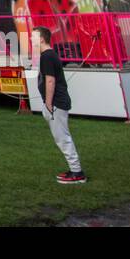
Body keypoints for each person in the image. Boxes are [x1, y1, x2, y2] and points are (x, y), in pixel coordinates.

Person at [31, 26, 85, 184]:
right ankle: (74, 170)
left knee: (62, 138)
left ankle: (77, 173)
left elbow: (50, 80)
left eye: (33, 37)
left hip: (56, 103)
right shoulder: (48, 55)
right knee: (62, 137)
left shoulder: (47, 56)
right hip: (56, 103)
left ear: (41, 39)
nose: (30, 39)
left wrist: (48, 104)